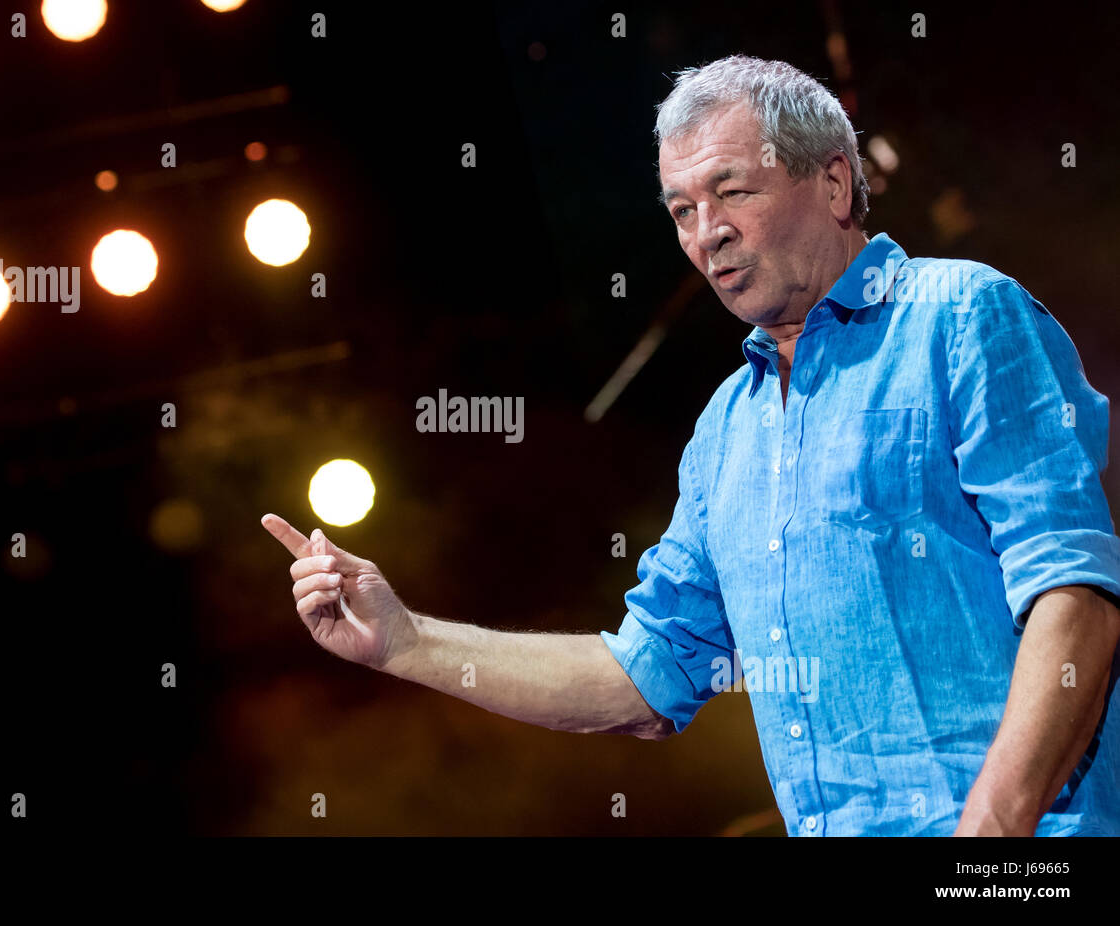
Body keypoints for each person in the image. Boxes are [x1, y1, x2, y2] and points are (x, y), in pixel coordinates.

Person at [263, 55, 1120, 836]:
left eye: (732, 191)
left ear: (832, 183)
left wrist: (991, 839)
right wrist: (408, 641)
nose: (705, 232)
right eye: (682, 208)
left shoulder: (961, 315)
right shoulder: (725, 431)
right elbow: (645, 678)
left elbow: (1076, 592)